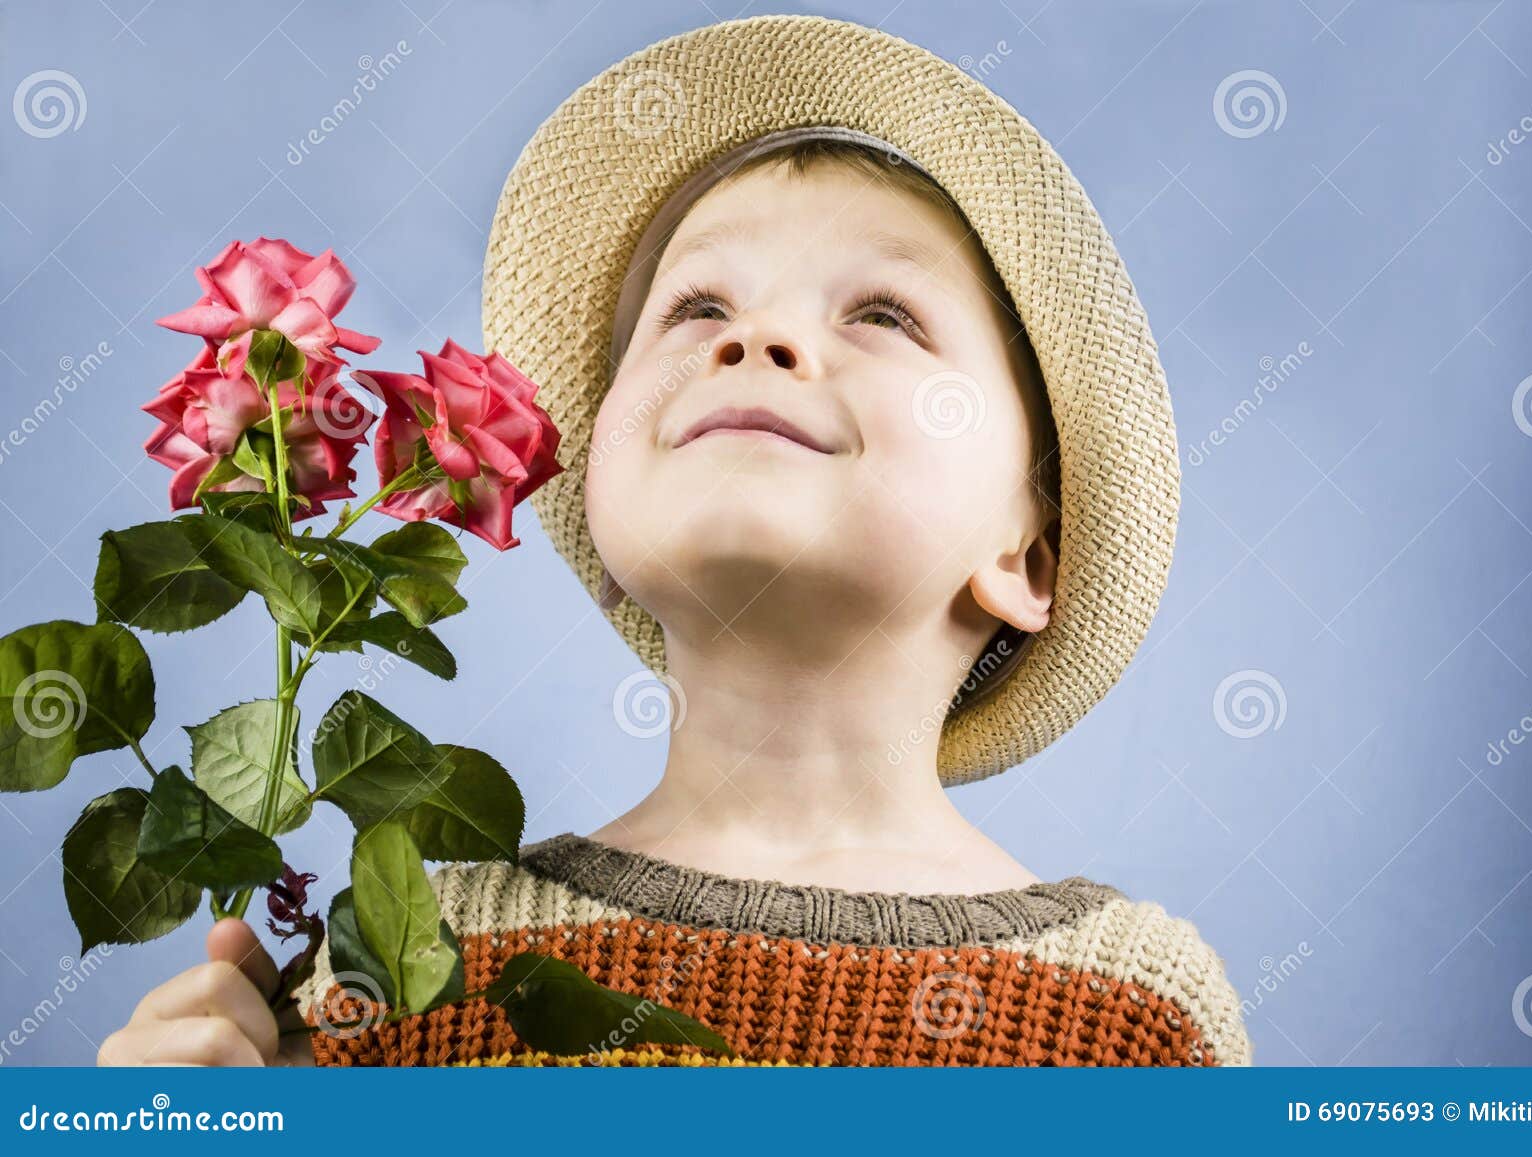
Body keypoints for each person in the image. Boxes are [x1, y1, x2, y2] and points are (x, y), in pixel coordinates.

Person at [99, 14, 1250, 1068]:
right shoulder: (391, 969)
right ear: (598, 502)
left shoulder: (1130, 1011)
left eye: (882, 315)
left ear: (1025, 557)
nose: (758, 337)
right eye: (699, 307)